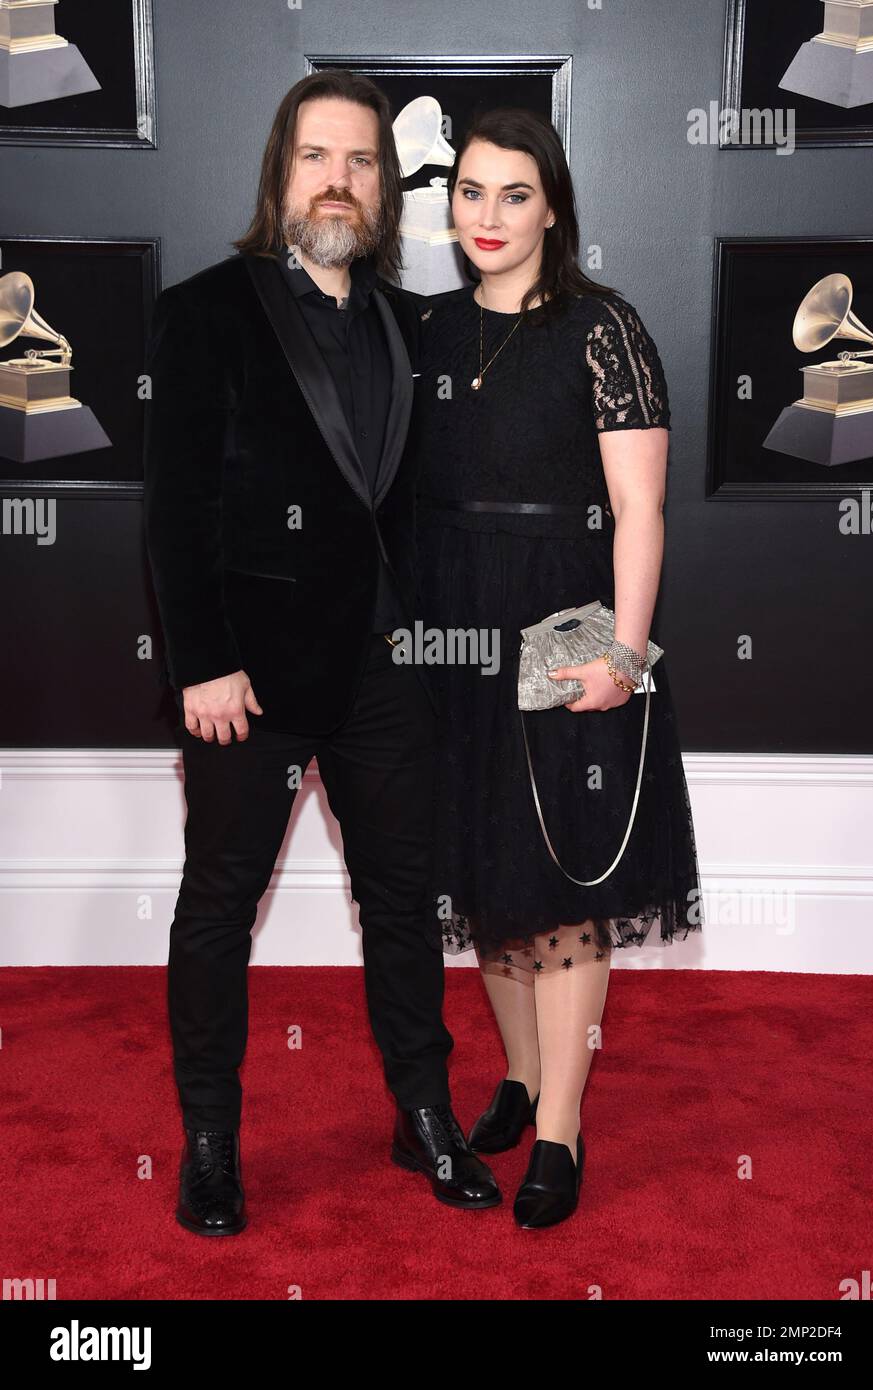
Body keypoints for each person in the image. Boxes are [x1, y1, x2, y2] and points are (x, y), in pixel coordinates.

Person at [142, 70, 500, 1236]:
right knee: (218, 907)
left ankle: (423, 1116)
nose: (338, 180)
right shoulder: (206, 312)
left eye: (359, 162)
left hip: (383, 675)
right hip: (249, 677)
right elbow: (176, 508)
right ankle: (208, 1141)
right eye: (316, 158)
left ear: (386, 190)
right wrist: (201, 662)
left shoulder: (412, 324)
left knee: (402, 900)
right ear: (279, 175)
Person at [413, 107, 703, 1229]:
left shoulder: (601, 326)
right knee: (486, 873)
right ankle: (521, 1073)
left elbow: (640, 507)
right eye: (470, 191)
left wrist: (623, 651)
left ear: (553, 206)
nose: (487, 216)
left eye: (514, 194)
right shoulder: (430, 330)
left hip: (572, 615)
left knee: (568, 879)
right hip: (453, 624)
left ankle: (562, 1126)